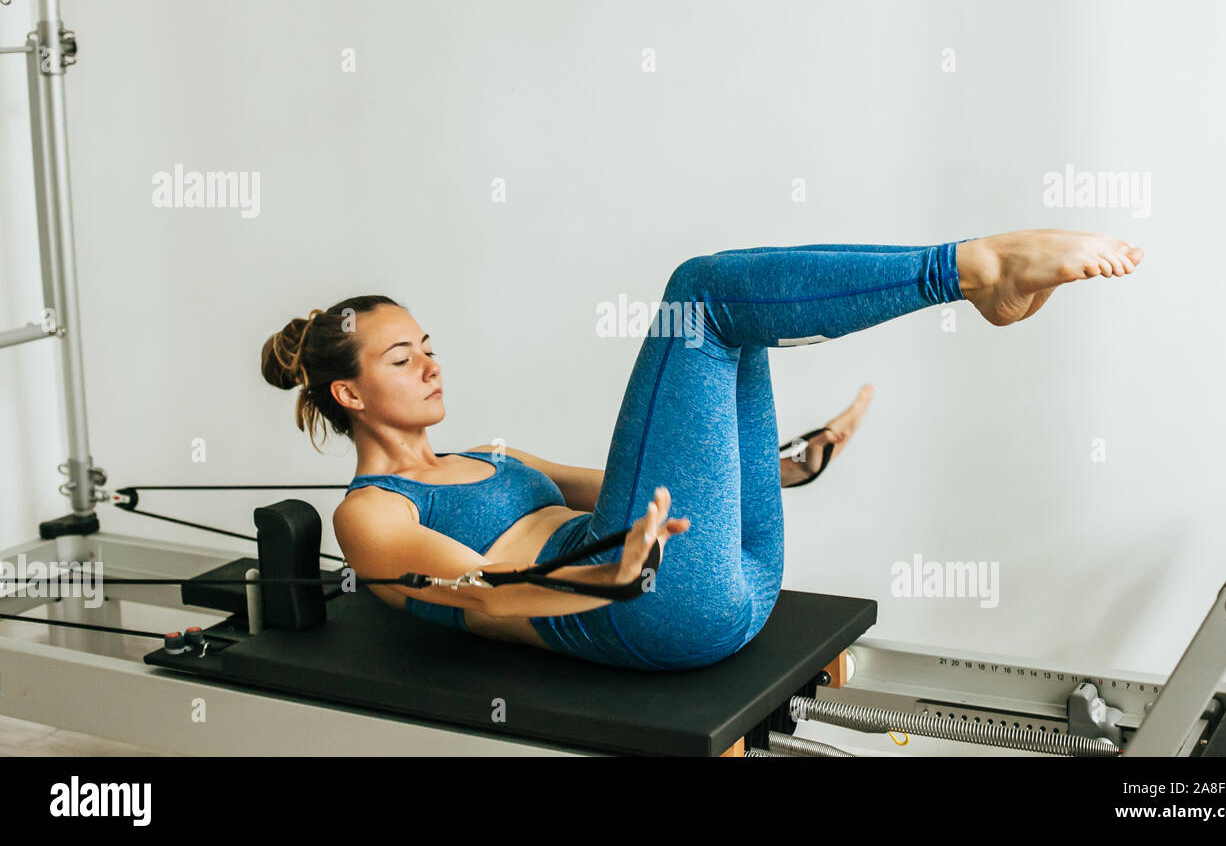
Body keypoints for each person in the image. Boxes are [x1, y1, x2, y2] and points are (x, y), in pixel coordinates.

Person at [260, 228, 1143, 670]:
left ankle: (977, 276)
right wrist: (606, 580)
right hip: (643, 610)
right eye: (402, 357)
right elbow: (485, 598)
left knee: (737, 324)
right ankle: (971, 271)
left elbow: (648, 485)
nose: (430, 365)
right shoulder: (369, 513)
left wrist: (793, 465)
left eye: (430, 346)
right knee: (704, 295)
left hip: (726, 571)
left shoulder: (493, 455)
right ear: (348, 393)